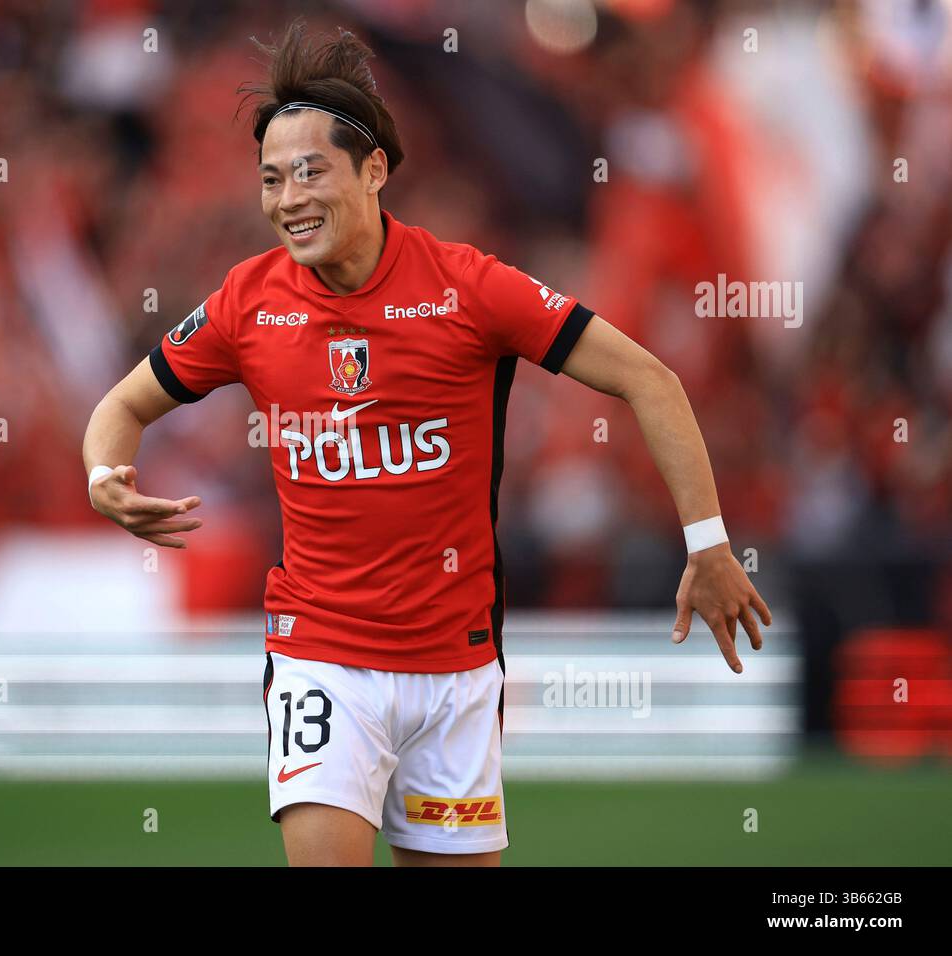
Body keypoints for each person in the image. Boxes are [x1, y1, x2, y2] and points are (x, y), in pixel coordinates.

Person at [83, 20, 771, 867]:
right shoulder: (246, 303)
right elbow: (122, 403)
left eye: (310, 172)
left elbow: (651, 380)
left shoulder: (469, 289)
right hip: (322, 658)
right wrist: (104, 473)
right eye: (270, 179)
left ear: (375, 170)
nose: (287, 199)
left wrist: (707, 544)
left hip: (457, 674)